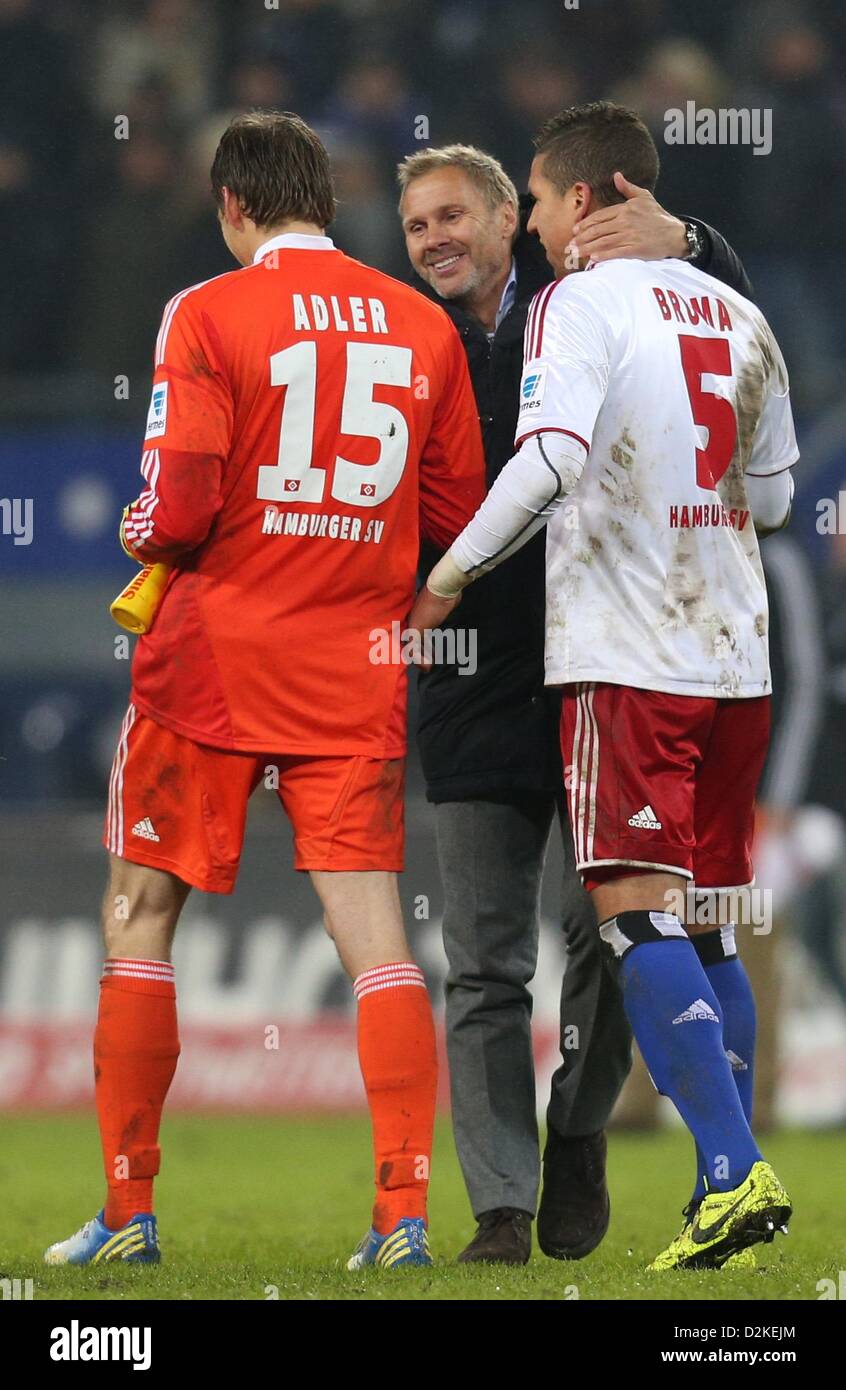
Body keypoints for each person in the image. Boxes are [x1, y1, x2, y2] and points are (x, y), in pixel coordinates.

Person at [44, 110, 485, 1272]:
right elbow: (459, 520)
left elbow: (176, 510)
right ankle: (401, 1218)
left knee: (141, 919)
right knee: (381, 943)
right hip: (354, 673)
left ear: (231, 205)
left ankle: (129, 1213)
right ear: (327, 203)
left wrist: (144, 533)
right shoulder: (420, 325)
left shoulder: (206, 309)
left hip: (210, 670)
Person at [410, 101, 797, 1270]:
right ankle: (708, 1181)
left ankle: (731, 1171)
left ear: (587, 199)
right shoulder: (742, 310)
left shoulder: (572, 303)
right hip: (734, 652)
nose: (528, 222)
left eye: (526, 199)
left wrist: (450, 574)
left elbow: (555, 457)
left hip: (624, 657)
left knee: (628, 924)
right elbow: (774, 498)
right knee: (703, 926)